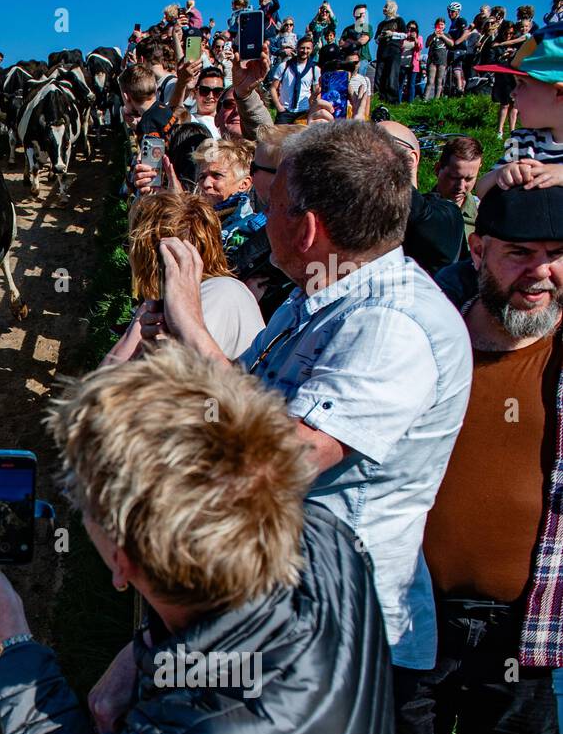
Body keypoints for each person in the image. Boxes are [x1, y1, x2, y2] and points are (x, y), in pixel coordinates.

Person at [0, 340, 413, 734]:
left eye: (86, 509)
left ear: (122, 563)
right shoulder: (331, 546)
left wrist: (11, 628)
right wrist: (148, 657)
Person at [151, 118, 473, 675]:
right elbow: (243, 396)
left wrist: (192, 322)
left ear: (307, 229)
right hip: (291, 615)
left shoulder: (389, 325)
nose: (262, 215)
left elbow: (286, 457)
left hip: (346, 649)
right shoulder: (316, 301)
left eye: (272, 203)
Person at [399, 184, 563, 734]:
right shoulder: (419, 345)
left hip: (529, 633)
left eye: (556, 255)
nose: (540, 272)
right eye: (519, 253)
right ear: (478, 250)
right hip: (413, 620)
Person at [104, 191, 263, 363]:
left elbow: (109, 387)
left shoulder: (217, 295)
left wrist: (135, 333)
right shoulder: (203, 295)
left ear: (151, 258)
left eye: (130, 247)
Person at [475, 23, 563, 196]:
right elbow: (480, 190)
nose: (513, 93)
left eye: (522, 83)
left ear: (559, 91)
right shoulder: (522, 140)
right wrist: (501, 174)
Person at [379, 120, 465, 276]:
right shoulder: (362, 216)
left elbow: (419, 216)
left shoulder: (446, 213)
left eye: (378, 146)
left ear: (410, 160)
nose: (366, 156)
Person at [191, 137, 256, 241]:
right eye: (202, 177)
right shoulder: (191, 220)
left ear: (244, 184)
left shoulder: (250, 231)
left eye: (217, 175)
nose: (206, 184)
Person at [433, 136, 484, 242]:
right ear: (438, 169)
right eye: (454, 177)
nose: (460, 186)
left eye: (469, 179)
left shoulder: (485, 213)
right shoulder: (419, 211)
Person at [271, 37, 318, 123]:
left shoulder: (315, 69)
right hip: (285, 111)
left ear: (311, 50)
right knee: (279, 136)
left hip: (304, 111)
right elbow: (273, 88)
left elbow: (316, 92)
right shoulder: (284, 66)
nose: (305, 51)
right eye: (302, 48)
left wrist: (313, 108)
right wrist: (278, 106)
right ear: (297, 48)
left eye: (308, 48)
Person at [375, 0, 407, 104]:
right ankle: (379, 99)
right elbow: (376, 39)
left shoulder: (399, 20)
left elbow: (405, 35)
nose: (384, 8)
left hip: (394, 51)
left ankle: (393, 101)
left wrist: (392, 34)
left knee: (392, 76)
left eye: (386, 6)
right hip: (382, 51)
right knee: (379, 75)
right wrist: (380, 37)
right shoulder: (381, 24)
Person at [425, 18, 454, 99]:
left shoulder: (447, 35)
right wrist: (434, 35)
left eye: (442, 24)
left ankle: (436, 100)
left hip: (442, 61)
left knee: (439, 81)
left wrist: (442, 36)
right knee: (430, 81)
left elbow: (452, 44)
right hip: (432, 60)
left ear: (444, 26)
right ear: (435, 26)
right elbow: (427, 44)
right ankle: (425, 99)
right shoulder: (431, 35)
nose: (440, 26)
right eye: (438, 24)